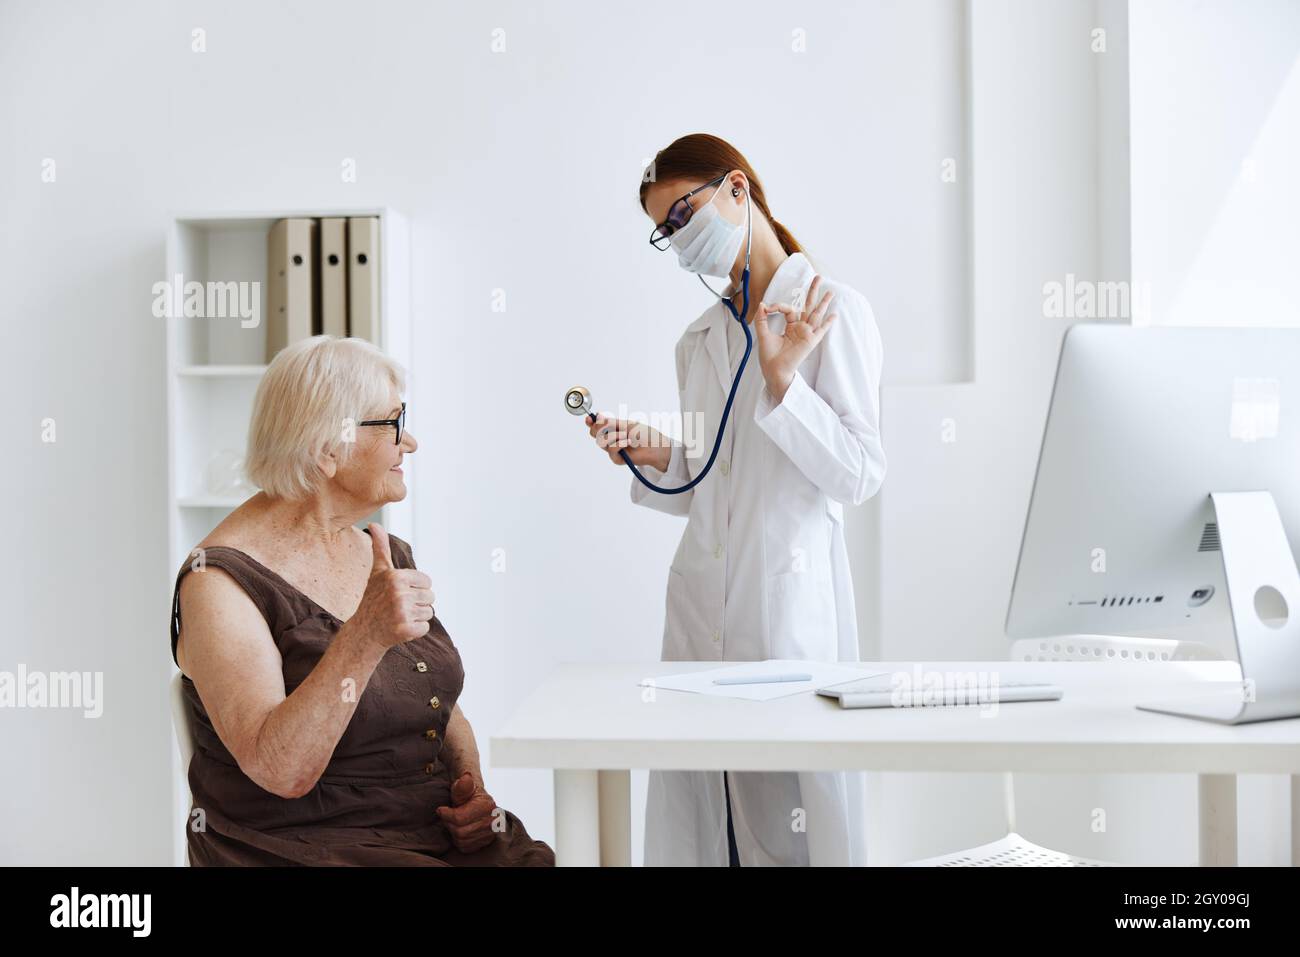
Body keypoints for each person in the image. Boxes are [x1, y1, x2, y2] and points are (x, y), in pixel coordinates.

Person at [583, 133, 886, 866]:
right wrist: (654, 450)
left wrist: (785, 383)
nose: (680, 240)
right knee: (700, 821)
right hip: (700, 614)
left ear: (738, 191)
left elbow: (859, 471)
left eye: (684, 215)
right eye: (667, 230)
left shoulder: (829, 309)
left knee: (792, 822)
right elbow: (713, 473)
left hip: (784, 614)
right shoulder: (698, 340)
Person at [171, 335, 553, 866]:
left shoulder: (381, 550)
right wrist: (365, 634)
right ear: (329, 448)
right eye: (394, 423)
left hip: (420, 829)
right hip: (304, 845)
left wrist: (473, 793)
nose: (411, 441)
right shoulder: (218, 582)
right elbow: (280, 769)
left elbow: (433, 694)